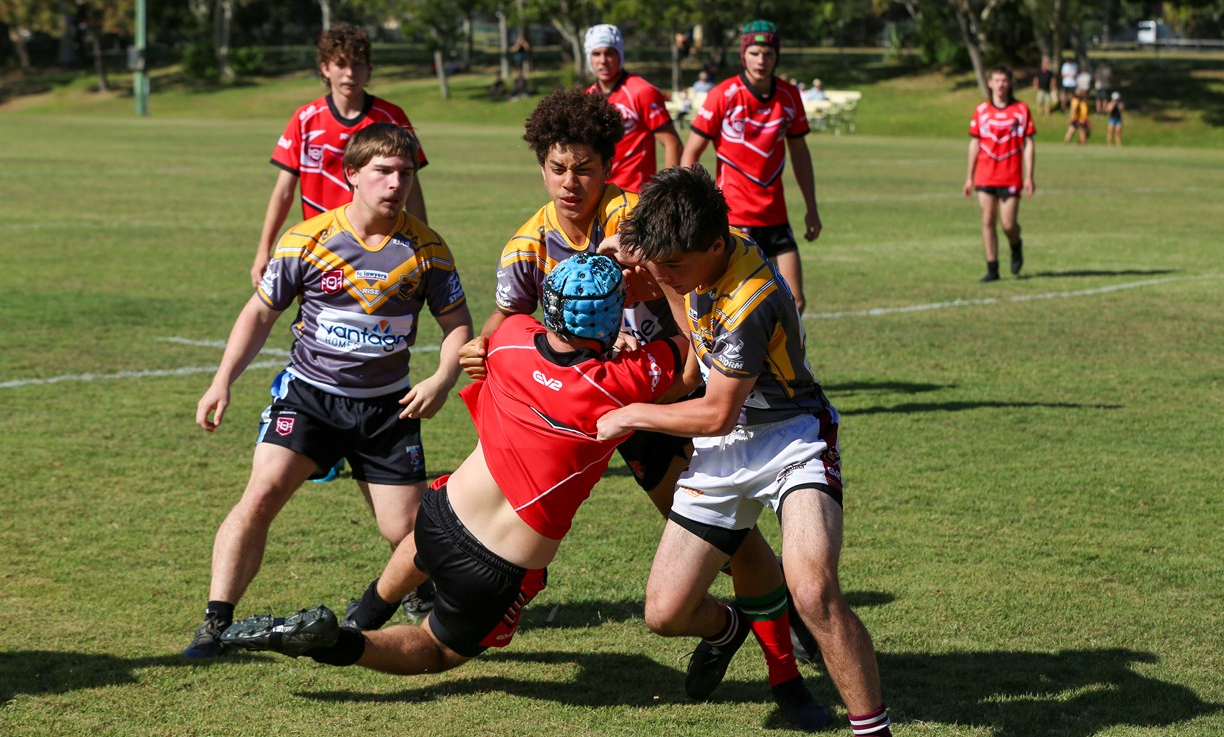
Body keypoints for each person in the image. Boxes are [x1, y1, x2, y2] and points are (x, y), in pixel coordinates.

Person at [458, 89, 827, 728]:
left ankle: (786, 675)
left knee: (732, 539)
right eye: (557, 168)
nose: (571, 183)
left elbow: (686, 294)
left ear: (610, 167)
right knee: (487, 500)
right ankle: (392, 609)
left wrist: (685, 366)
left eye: (585, 168)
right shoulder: (528, 242)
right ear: (541, 168)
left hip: (655, 398)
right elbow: (510, 316)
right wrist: (471, 350)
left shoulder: (637, 223)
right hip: (570, 403)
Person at [218, 254, 690, 683]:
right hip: (499, 564)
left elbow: (512, 327)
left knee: (423, 548)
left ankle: (365, 612)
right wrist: (667, 286)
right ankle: (336, 641)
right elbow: (689, 349)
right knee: (438, 649)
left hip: (441, 516)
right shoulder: (623, 381)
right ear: (610, 319)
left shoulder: (510, 340)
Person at [597, 165, 892, 737]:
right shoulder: (704, 241)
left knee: (814, 591)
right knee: (664, 613)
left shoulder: (749, 297)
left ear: (714, 246)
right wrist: (642, 258)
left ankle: (872, 730)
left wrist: (633, 414)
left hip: (790, 439)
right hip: (724, 453)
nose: (661, 274)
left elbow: (715, 413)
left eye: (674, 266)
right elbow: (661, 263)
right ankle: (729, 628)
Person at [183, 124, 474, 659]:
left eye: (405, 173)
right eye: (383, 171)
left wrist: (442, 377)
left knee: (406, 529)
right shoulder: (307, 239)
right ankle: (213, 623)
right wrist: (221, 381)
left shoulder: (427, 249)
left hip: (388, 408)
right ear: (353, 176)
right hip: (310, 398)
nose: (396, 183)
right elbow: (259, 314)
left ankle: (419, 592)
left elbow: (458, 323)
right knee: (263, 492)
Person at [251, 23, 428, 290]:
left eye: (357, 64)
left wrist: (422, 244)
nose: (349, 74)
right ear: (325, 68)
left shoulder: (391, 118)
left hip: (378, 244)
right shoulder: (305, 119)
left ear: (368, 69)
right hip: (321, 246)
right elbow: (283, 192)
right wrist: (264, 249)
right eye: (341, 64)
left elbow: (411, 185)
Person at [682, 20, 820, 315]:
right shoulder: (724, 94)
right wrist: (691, 204)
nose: (761, 60)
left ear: (776, 56)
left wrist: (811, 206)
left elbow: (800, 152)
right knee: (732, 305)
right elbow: (692, 150)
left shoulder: (789, 96)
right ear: (743, 55)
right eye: (755, 53)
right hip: (734, 219)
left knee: (794, 303)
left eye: (768, 54)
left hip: (776, 217)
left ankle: (774, 362)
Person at [584, 24, 682, 194]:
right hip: (597, 195)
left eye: (609, 53)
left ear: (619, 54)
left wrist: (667, 192)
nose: (602, 60)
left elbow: (672, 144)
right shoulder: (588, 96)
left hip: (635, 195)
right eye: (596, 54)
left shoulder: (642, 91)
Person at [963, 65, 1036, 282]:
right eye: (997, 80)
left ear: (1010, 83)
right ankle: (992, 268)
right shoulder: (982, 111)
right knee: (987, 219)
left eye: (1004, 80)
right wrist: (969, 176)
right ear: (990, 83)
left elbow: (1029, 144)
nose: (1001, 84)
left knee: (1008, 224)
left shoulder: (1021, 110)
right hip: (985, 173)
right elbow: (974, 143)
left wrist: (1029, 176)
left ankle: (1016, 244)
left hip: (1010, 174)